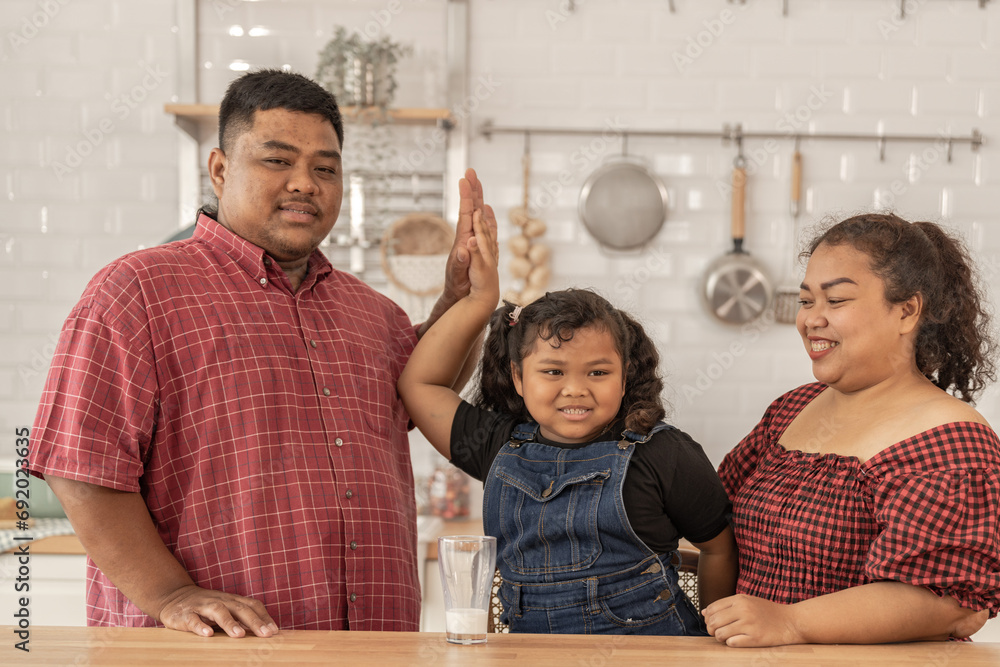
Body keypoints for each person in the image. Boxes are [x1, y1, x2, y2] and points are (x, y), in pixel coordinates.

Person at [28, 69, 496, 638]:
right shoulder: (137, 291)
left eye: (325, 168)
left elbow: (426, 387)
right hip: (213, 650)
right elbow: (79, 471)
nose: (306, 182)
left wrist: (462, 299)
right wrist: (170, 594)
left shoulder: (374, 313)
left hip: (375, 643)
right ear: (220, 170)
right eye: (278, 160)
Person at [397, 212, 737, 635]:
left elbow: (718, 548)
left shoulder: (663, 452)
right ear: (519, 378)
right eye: (553, 372)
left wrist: (715, 640)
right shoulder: (497, 444)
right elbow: (419, 383)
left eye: (597, 373)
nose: (575, 389)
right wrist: (480, 300)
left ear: (625, 375)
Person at [705, 213, 1000, 647]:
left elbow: (947, 604)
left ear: (907, 311)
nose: (811, 320)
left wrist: (790, 622)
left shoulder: (953, 442)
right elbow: (714, 516)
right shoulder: (792, 409)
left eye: (836, 301)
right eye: (807, 302)